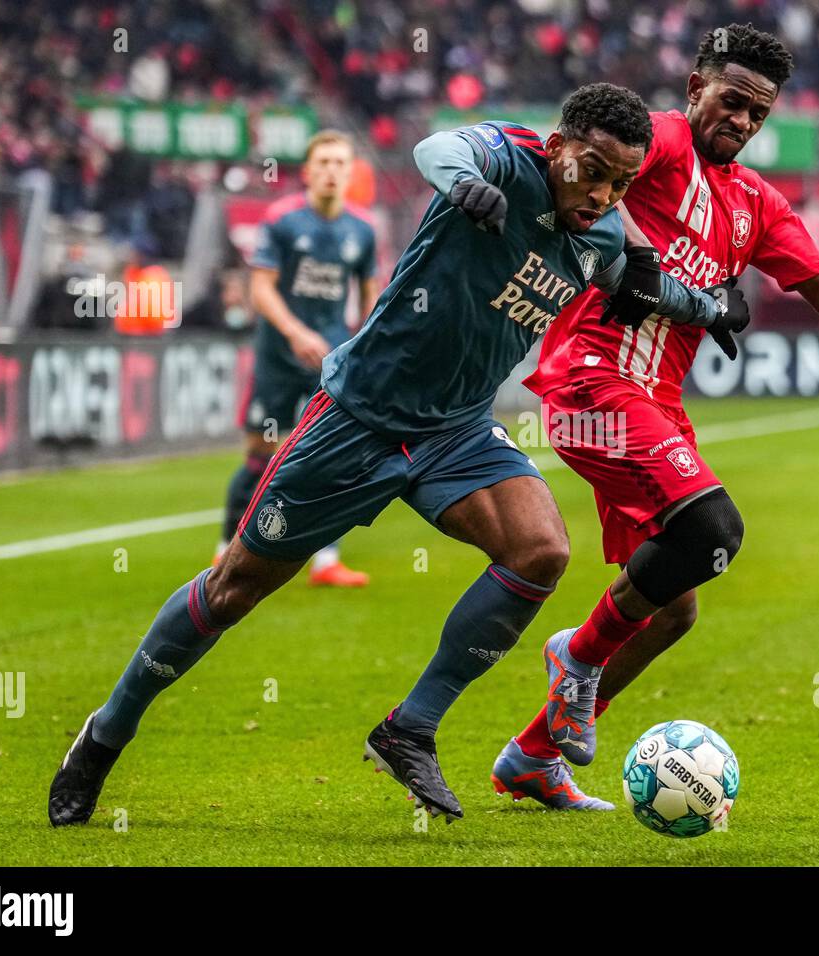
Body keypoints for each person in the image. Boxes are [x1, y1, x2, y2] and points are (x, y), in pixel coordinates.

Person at [48, 83, 738, 827]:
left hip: (458, 433)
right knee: (234, 588)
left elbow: (641, 286)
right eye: (593, 170)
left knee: (540, 550)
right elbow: (437, 148)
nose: (602, 193)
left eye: (621, 182)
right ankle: (105, 734)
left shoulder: (599, 237)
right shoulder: (505, 162)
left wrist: (712, 306)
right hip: (359, 419)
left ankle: (409, 727)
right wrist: (464, 186)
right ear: (560, 145)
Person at [491, 24, 819, 809]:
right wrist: (632, 251)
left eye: (757, 113)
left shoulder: (756, 204)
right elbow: (573, 173)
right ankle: (576, 655)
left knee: (675, 609)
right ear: (697, 86)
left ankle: (532, 756)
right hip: (595, 381)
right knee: (712, 533)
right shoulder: (661, 141)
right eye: (731, 101)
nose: (740, 120)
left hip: (655, 401)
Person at [216, 130, 378, 587]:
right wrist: (295, 332)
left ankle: (326, 561)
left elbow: (368, 295)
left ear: (349, 173)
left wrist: (362, 347)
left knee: (329, 458)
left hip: (330, 362)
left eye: (339, 163)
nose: (331, 171)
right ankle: (225, 552)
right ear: (307, 172)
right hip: (277, 356)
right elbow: (260, 288)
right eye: (322, 162)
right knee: (259, 456)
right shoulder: (282, 221)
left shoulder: (361, 230)